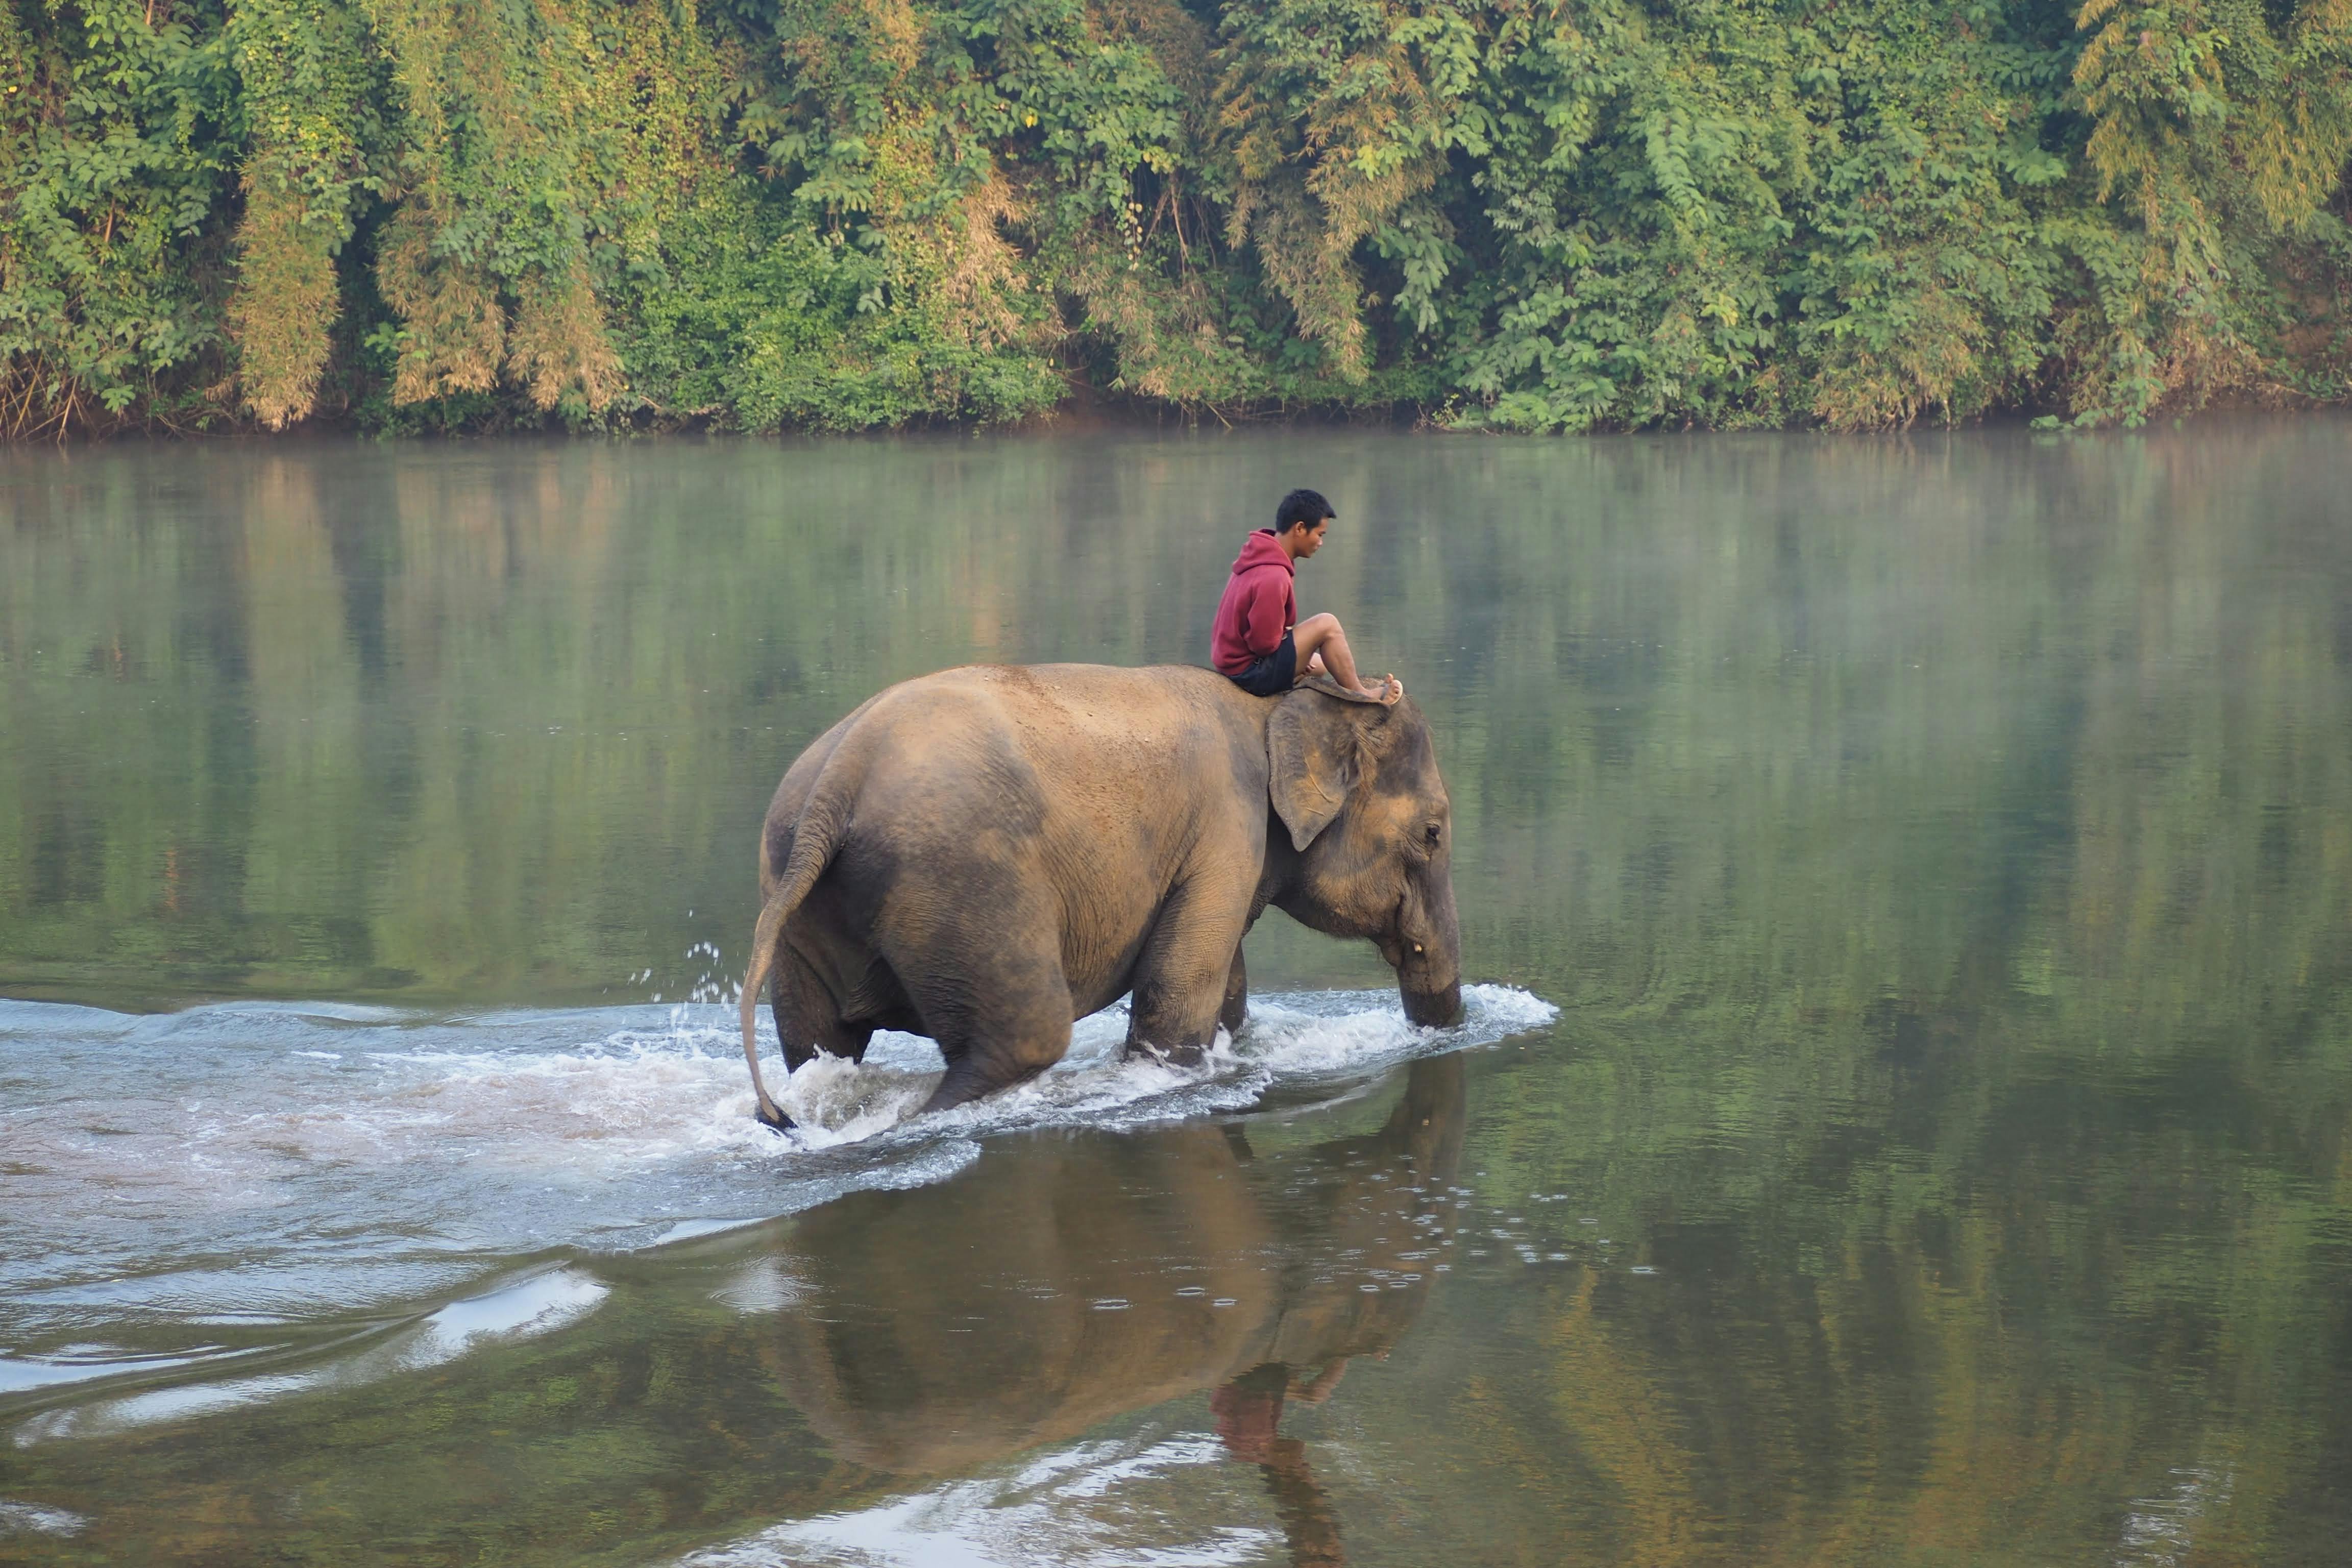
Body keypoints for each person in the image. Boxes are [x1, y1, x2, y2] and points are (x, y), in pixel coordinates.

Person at [1209, 488, 1402, 703]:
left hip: (1233, 664)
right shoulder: (1273, 576)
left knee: (1319, 665)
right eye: (1320, 535)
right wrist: (1288, 646)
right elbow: (1263, 645)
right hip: (1249, 674)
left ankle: (1314, 679)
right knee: (1328, 625)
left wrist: (1294, 647)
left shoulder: (1259, 555)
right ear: (1300, 528)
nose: (1321, 542)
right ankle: (1361, 693)